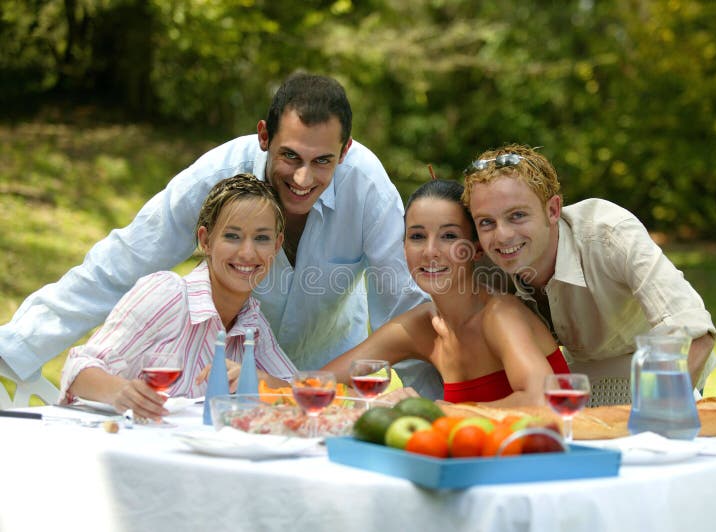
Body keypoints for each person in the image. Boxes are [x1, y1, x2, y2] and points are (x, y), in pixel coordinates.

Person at [0, 73, 437, 397]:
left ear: (346, 150)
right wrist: (12, 349)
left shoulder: (368, 188)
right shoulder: (219, 173)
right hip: (219, 379)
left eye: (323, 161)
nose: (303, 178)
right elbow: (122, 263)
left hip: (323, 380)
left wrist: (440, 409)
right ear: (264, 136)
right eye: (290, 157)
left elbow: (405, 309)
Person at [461, 143, 716, 406]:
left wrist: (655, 416)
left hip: (663, 374)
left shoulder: (610, 234)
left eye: (517, 215)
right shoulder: (485, 267)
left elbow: (696, 334)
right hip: (585, 383)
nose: (502, 235)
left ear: (553, 210)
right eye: (486, 222)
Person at [59, 174, 296, 420]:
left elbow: (300, 391)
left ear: (276, 245)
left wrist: (261, 379)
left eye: (261, 238)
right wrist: (122, 392)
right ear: (206, 241)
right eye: (232, 236)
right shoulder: (167, 294)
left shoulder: (252, 323)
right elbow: (78, 368)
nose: (247, 253)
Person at [323, 179, 569, 407]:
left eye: (449, 236)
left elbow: (543, 401)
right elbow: (317, 384)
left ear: (476, 249)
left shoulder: (500, 314)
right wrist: (375, 401)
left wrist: (440, 411)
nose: (430, 251)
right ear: (404, 247)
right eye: (417, 236)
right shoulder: (422, 326)